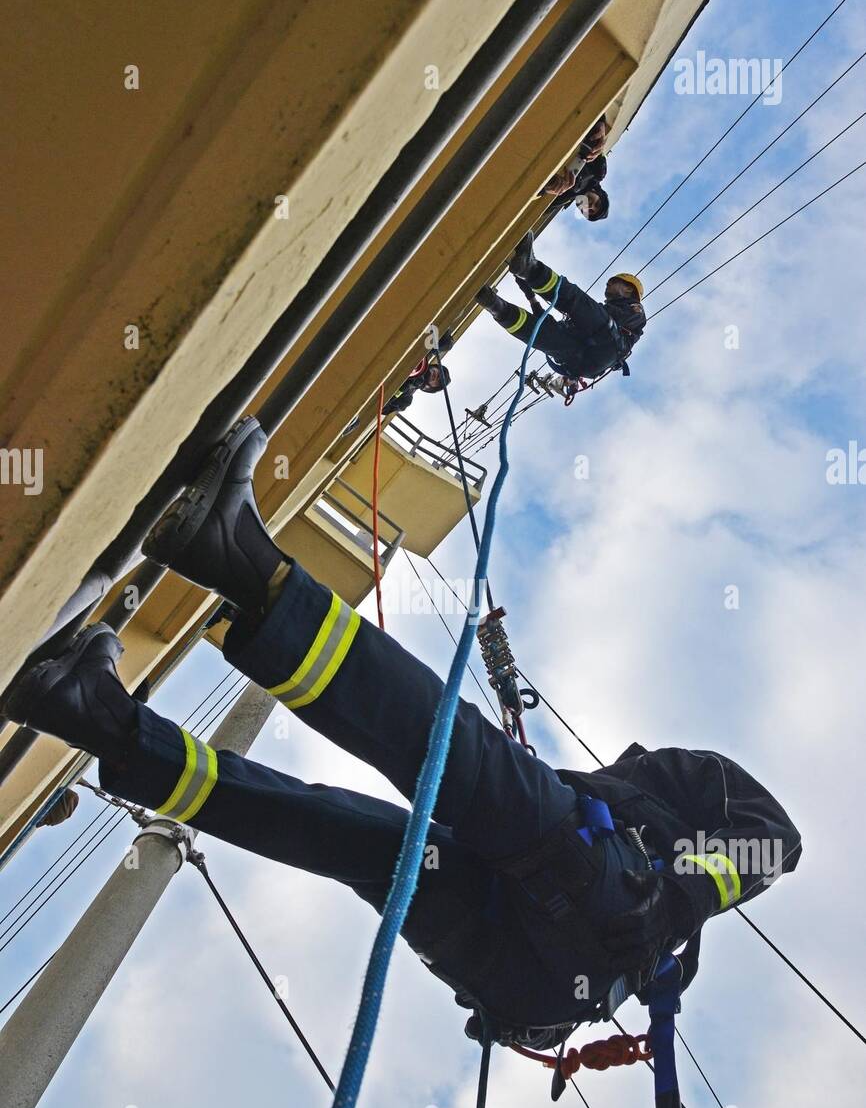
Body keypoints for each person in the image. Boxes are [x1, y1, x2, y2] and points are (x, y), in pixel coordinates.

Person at [4, 420, 801, 1052]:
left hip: (591, 926)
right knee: (346, 837)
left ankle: (228, 548)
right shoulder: (630, 807)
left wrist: (681, 894)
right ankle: (89, 712)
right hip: (535, 985)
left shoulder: (687, 789)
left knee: (449, 749)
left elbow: (779, 841)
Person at [476, 232, 646, 380]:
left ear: (629, 289)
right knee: (542, 333)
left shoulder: (636, 310)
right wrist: (531, 297)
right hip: (583, 361)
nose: (608, 284)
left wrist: (580, 310)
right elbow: (550, 325)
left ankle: (529, 268)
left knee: (573, 299)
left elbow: (598, 313)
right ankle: (494, 305)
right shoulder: (603, 318)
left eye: (614, 282)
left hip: (606, 347)